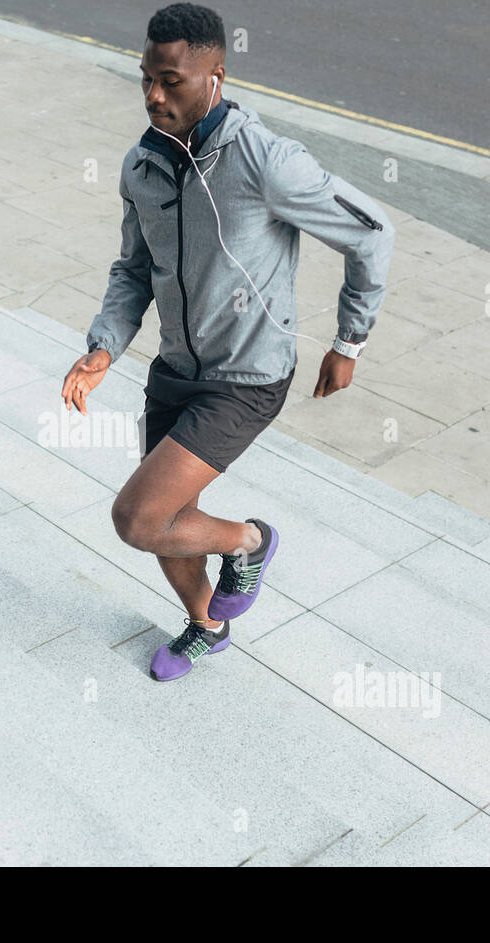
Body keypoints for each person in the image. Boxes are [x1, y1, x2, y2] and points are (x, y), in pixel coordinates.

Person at [60, 2, 395, 681]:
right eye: (147, 78)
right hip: (174, 370)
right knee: (168, 520)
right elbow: (133, 269)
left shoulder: (266, 161)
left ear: (214, 76)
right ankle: (207, 626)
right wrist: (104, 347)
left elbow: (371, 232)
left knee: (137, 517)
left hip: (246, 378)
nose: (154, 95)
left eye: (171, 81)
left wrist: (349, 341)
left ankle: (249, 541)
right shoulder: (142, 166)